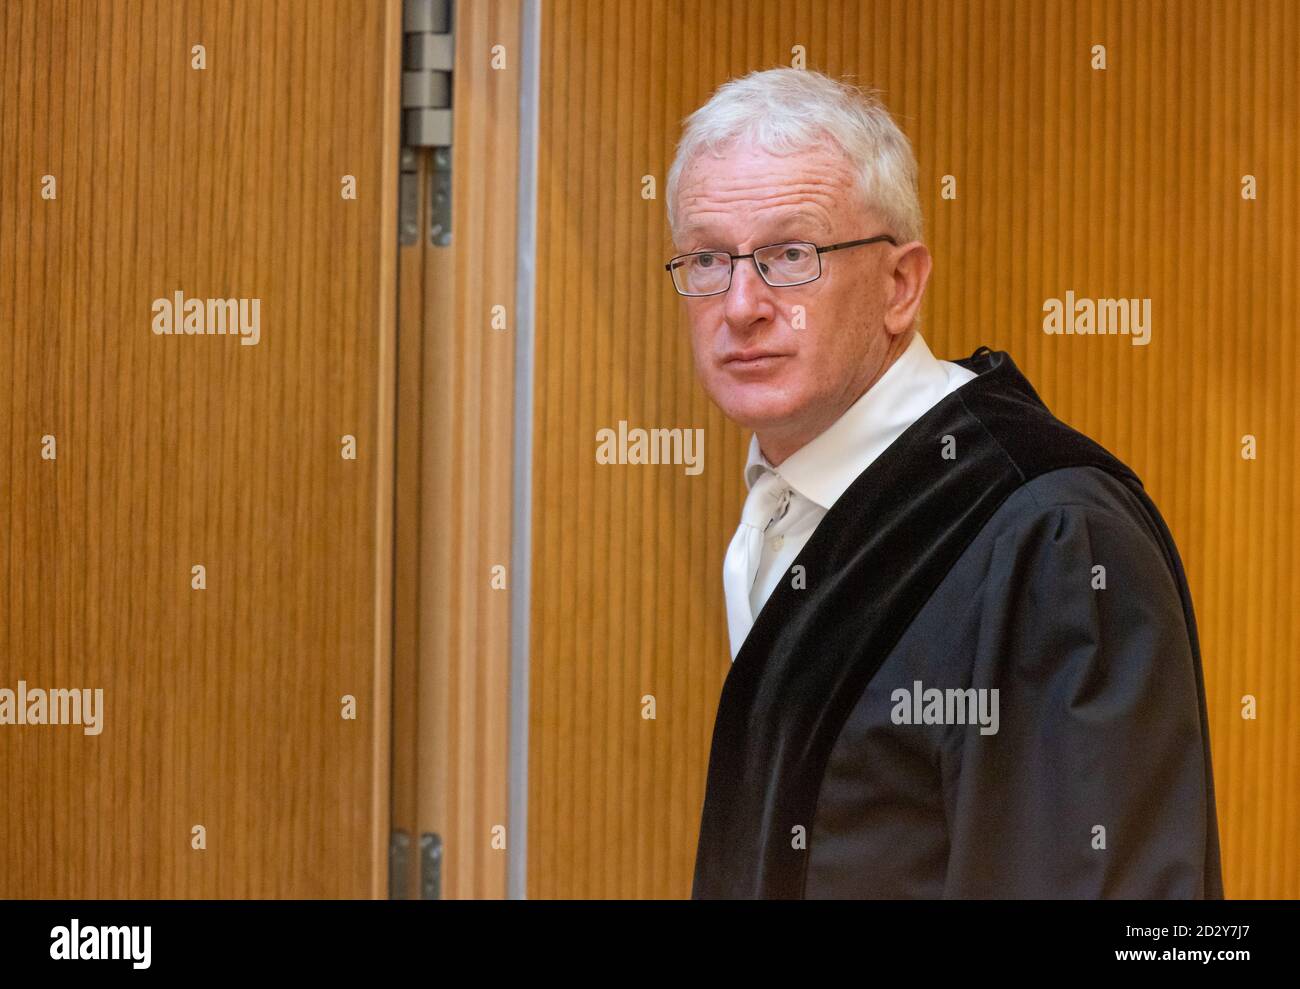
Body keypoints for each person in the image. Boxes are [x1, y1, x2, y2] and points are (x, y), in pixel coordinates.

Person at [665, 67, 1223, 899]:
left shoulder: (1052, 536)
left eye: (791, 254)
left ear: (901, 285)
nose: (741, 303)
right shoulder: (785, 503)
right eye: (708, 257)